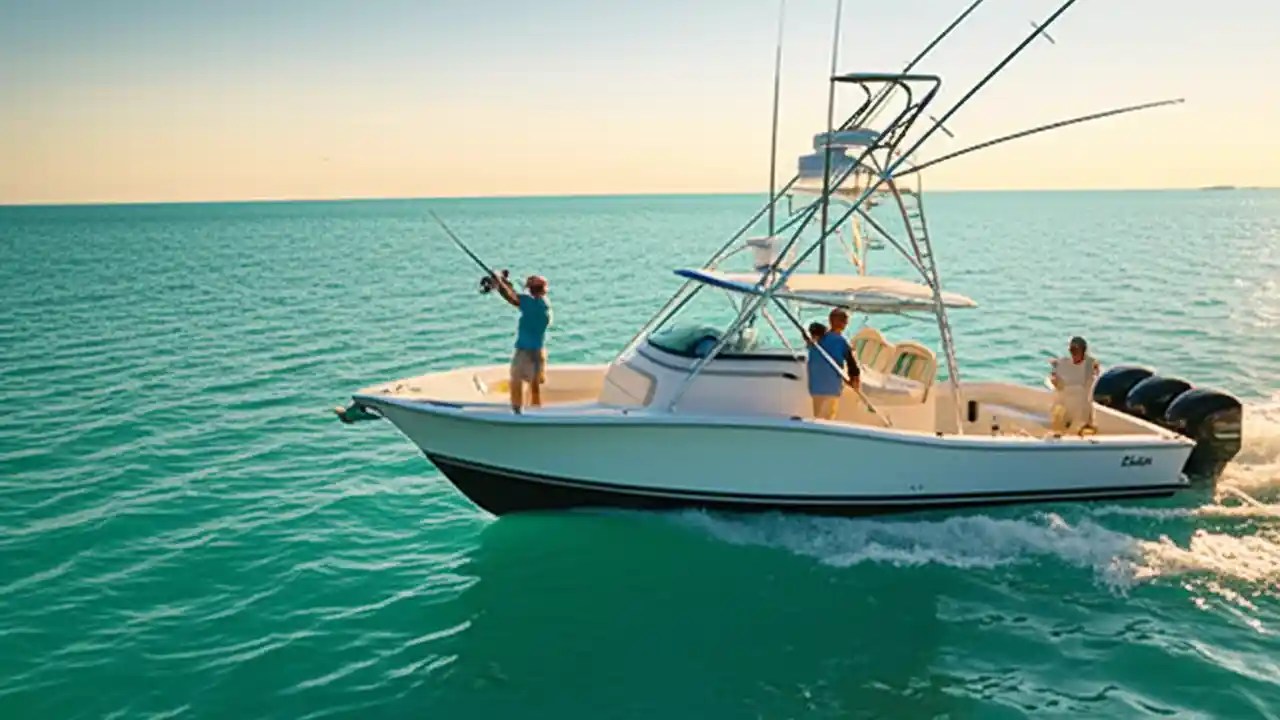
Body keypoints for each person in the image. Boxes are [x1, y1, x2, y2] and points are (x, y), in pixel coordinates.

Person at [493, 273, 552, 414]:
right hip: (539, 352)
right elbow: (514, 295)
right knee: (534, 386)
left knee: (516, 382)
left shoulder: (528, 303)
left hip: (524, 352)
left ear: (531, 289)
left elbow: (510, 297)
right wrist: (503, 282)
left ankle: (517, 412)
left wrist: (499, 282)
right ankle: (537, 412)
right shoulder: (544, 305)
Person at [806, 309, 861, 420]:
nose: (846, 323)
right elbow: (852, 364)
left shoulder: (816, 339)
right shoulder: (839, 341)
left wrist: (853, 378)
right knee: (827, 418)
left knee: (819, 416)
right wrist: (855, 379)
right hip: (830, 387)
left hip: (817, 386)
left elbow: (811, 329)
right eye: (844, 321)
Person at [1049, 335, 1100, 433]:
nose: (1074, 353)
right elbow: (1055, 380)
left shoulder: (1089, 364)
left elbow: (1094, 374)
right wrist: (1055, 376)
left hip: (1081, 408)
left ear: (1083, 351)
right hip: (1066, 406)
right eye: (1071, 350)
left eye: (1076, 350)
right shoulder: (1063, 364)